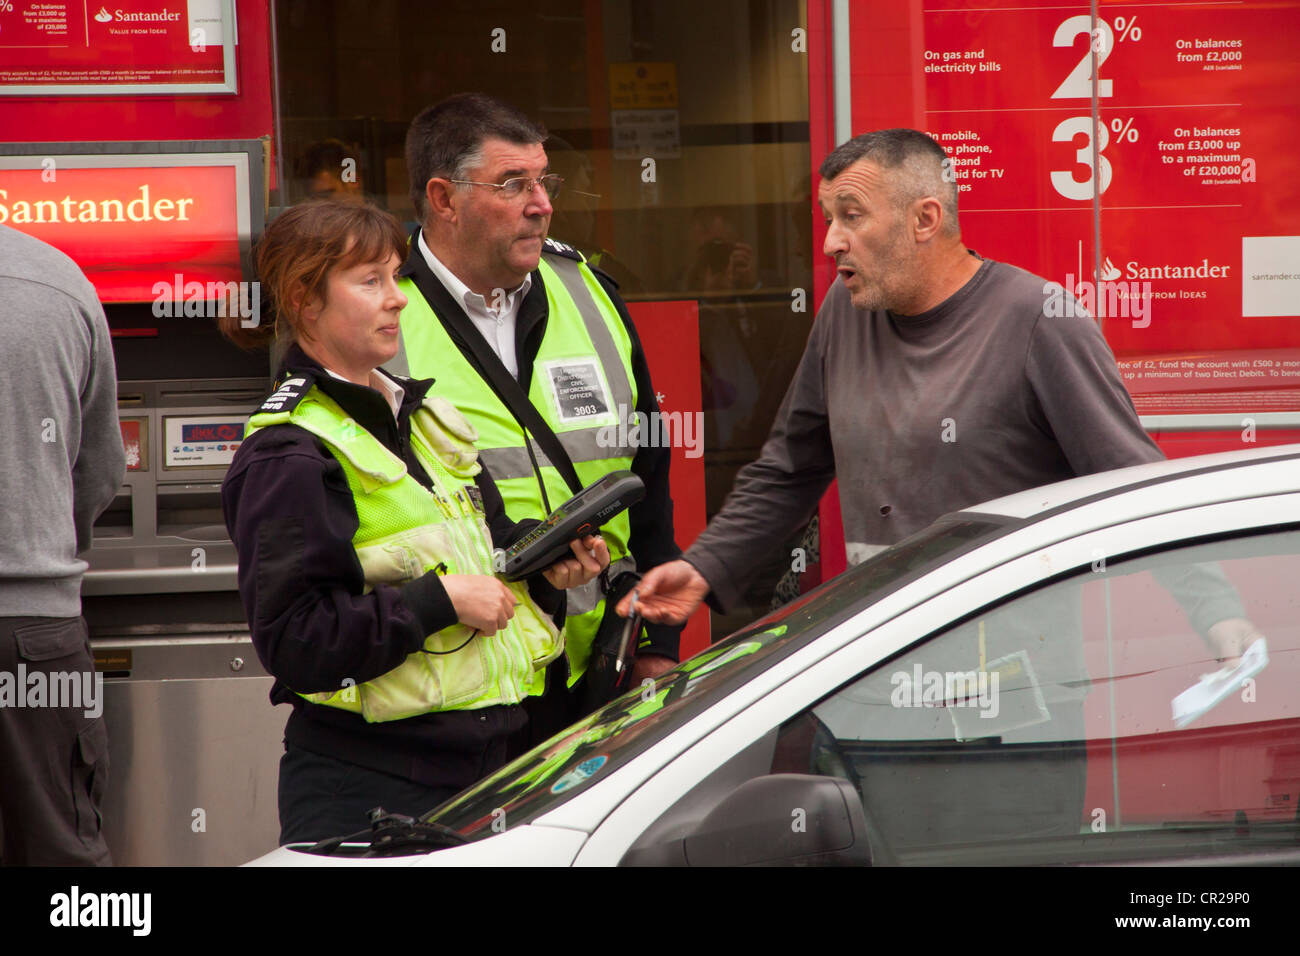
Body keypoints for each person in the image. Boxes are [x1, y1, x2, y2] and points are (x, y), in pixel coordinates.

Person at [623, 128, 1259, 664]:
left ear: (925, 218)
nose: (830, 242)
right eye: (827, 220)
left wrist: (1219, 617)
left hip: (1015, 691)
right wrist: (705, 567)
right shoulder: (844, 317)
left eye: (851, 216)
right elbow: (789, 469)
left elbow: (1129, 482)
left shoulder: (1040, 319)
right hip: (876, 671)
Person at [219, 200, 609, 844]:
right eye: (370, 281)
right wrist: (442, 600)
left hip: (497, 769)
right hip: (373, 787)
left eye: (397, 276)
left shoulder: (427, 419)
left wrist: (548, 568)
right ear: (304, 300)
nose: (398, 299)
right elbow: (297, 641)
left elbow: (489, 555)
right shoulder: (288, 451)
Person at [393, 93, 682, 747]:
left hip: (592, 679)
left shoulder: (590, 291)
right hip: (455, 690)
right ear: (444, 198)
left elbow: (652, 477)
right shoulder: (380, 315)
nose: (542, 202)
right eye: (513, 184)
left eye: (543, 180)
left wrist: (658, 645)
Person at [0, 224, 125, 865]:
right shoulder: (57, 279)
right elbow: (101, 468)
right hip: (35, 635)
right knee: (60, 852)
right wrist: (46, 537)